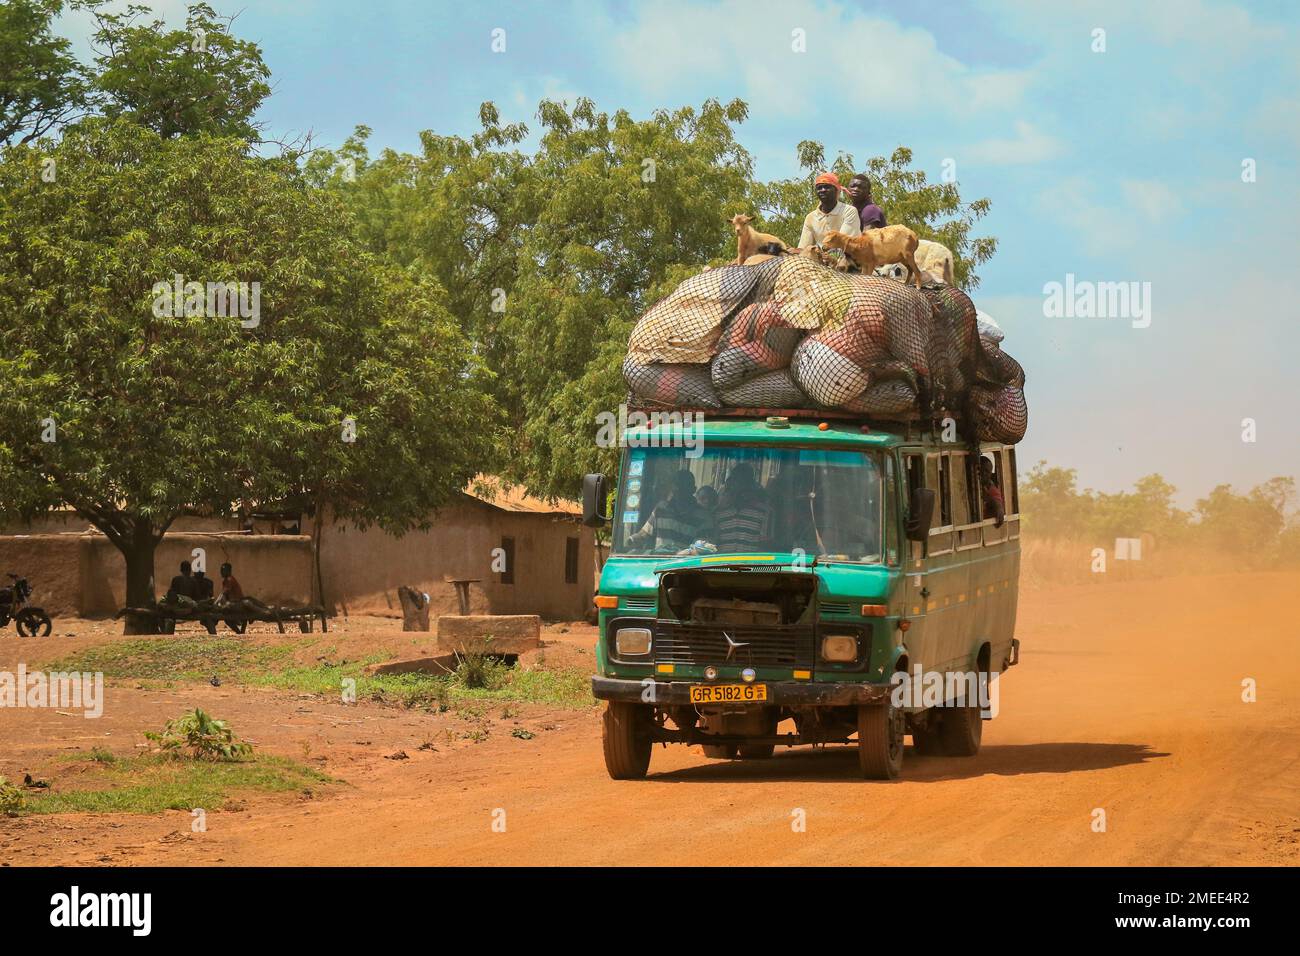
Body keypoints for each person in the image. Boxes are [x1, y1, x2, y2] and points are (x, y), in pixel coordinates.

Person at [627, 470, 709, 553]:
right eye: (676, 486)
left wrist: (678, 554)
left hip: (684, 565)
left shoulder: (703, 518)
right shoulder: (661, 509)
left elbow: (701, 550)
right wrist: (630, 541)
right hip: (658, 563)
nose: (678, 490)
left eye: (683, 487)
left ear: (693, 490)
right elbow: (644, 535)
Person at [714, 464, 773, 552]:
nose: (739, 487)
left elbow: (765, 545)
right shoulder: (718, 512)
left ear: (752, 485)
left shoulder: (764, 512)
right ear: (729, 485)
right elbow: (712, 542)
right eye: (736, 482)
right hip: (722, 563)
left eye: (743, 483)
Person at [798, 172, 861, 251]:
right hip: (824, 260)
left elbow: (843, 244)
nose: (823, 190)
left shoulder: (849, 211)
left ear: (836, 190)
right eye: (819, 188)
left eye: (827, 187)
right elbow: (804, 247)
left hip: (849, 258)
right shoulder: (810, 217)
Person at [978, 456, 1005, 527]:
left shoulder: (991, 490)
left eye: (987, 471)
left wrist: (995, 504)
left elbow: (998, 506)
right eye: (980, 470)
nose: (983, 473)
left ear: (990, 474)